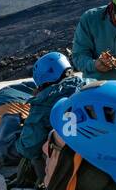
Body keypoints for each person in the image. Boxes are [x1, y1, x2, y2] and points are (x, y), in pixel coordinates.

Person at [17, 51, 87, 182]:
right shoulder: (88, 85)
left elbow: (28, 148)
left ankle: (50, 188)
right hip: (95, 155)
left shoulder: (44, 103)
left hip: (68, 168)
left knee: (35, 154)